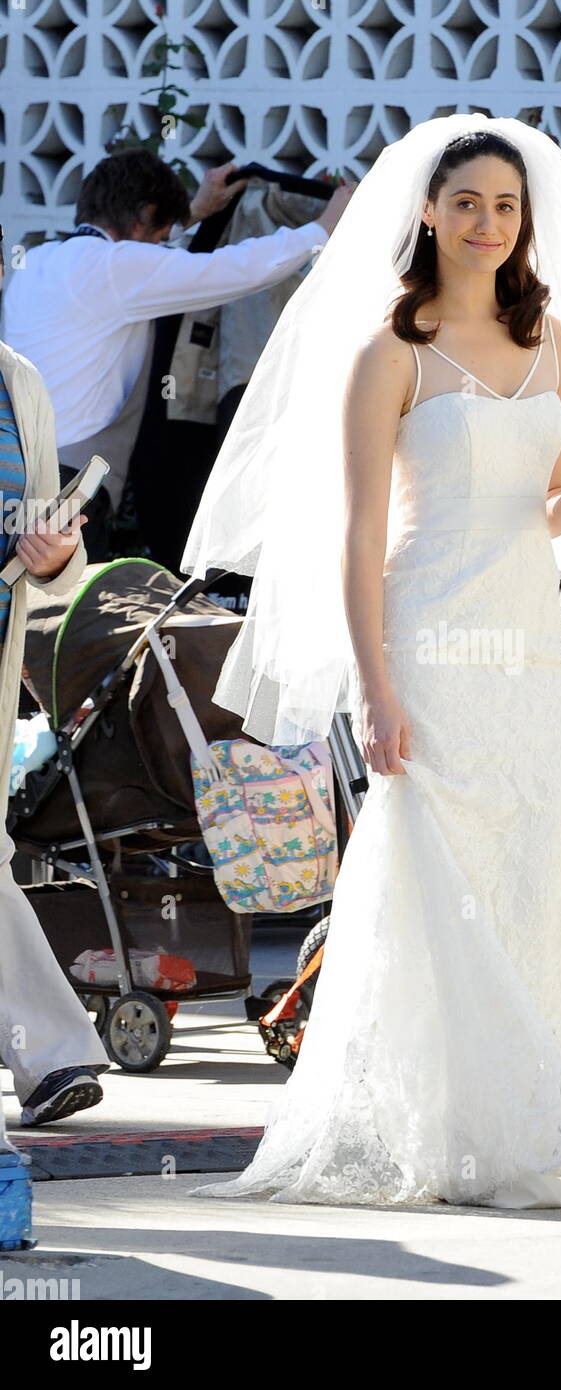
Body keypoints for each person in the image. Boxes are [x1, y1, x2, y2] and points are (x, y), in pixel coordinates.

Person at [183, 116, 561, 1210]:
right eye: (468, 203)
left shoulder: (557, 346)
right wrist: (376, 689)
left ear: (525, 223)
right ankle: (427, 1129)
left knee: (519, 869)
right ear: (427, 214)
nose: (488, 223)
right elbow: (357, 534)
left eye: (506, 206)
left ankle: (523, 1123)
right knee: (430, 881)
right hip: (429, 644)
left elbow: (518, 509)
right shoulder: (386, 351)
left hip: (525, 648)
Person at [1, 149, 355, 558]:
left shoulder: (40, 262)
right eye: (162, 232)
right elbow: (232, 269)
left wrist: (195, 212)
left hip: (15, 472)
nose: (164, 244)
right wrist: (324, 227)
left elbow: (150, 266)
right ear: (144, 214)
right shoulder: (115, 269)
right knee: (64, 615)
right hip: (67, 489)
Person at [0, 228, 111, 1128]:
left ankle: (54, 1056)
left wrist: (57, 549)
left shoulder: (18, 383)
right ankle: (55, 1054)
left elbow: (55, 569)